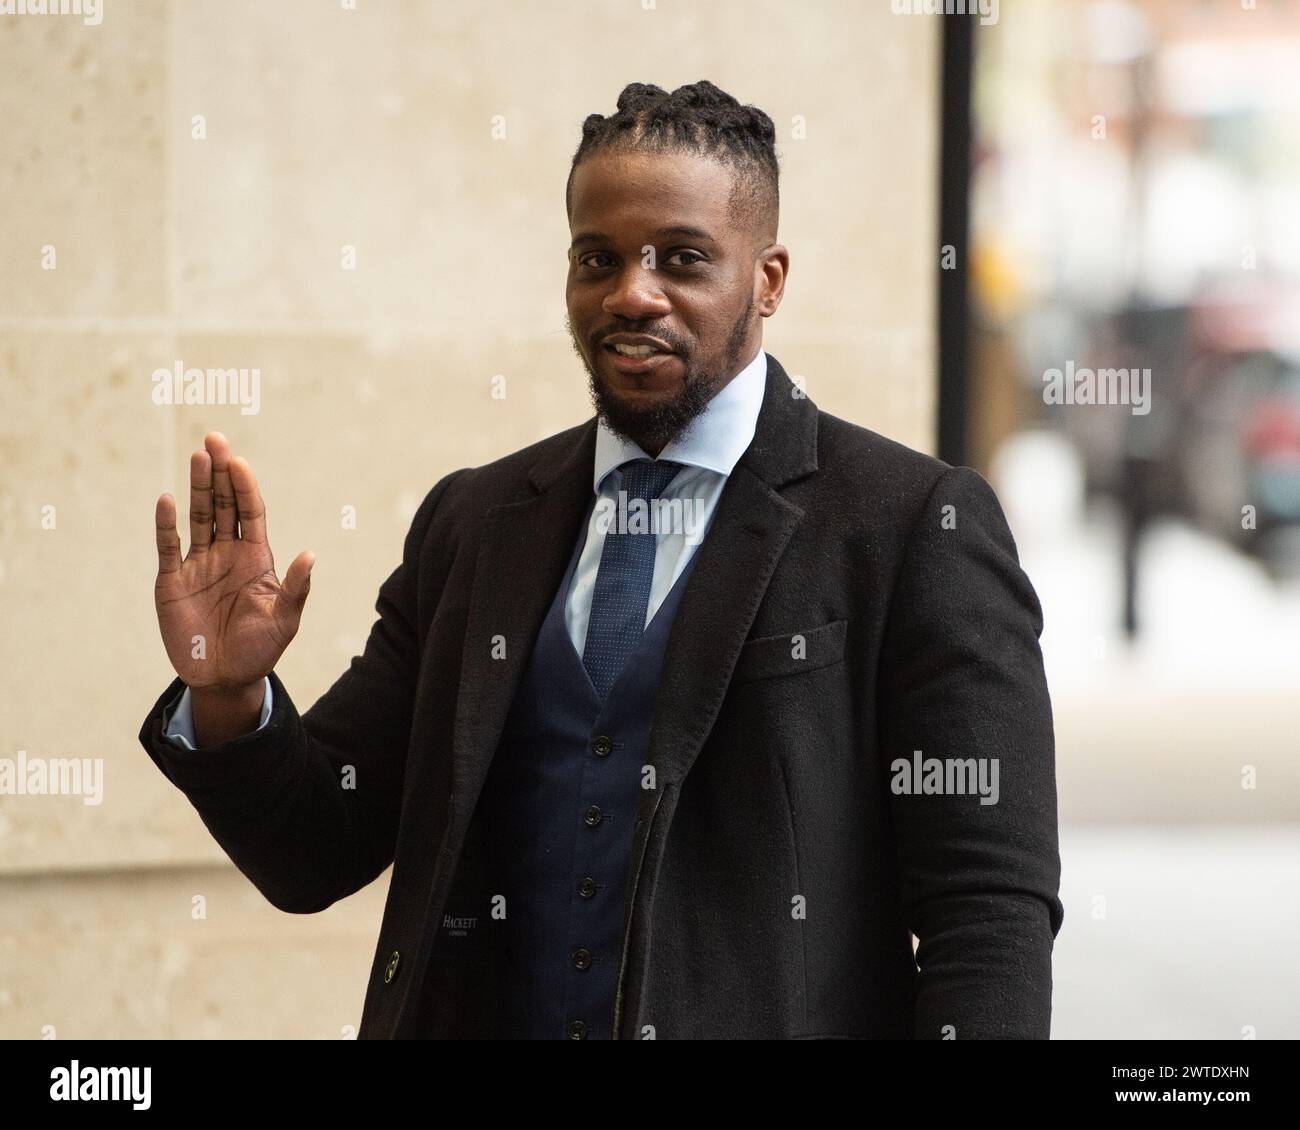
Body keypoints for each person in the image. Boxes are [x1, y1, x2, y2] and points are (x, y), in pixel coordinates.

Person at [141, 80, 1064, 1040]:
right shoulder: (476, 523)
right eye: (600, 258)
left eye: (684, 258)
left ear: (770, 278)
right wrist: (229, 696)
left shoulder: (910, 524)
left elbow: (988, 913)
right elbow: (315, 849)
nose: (634, 292)